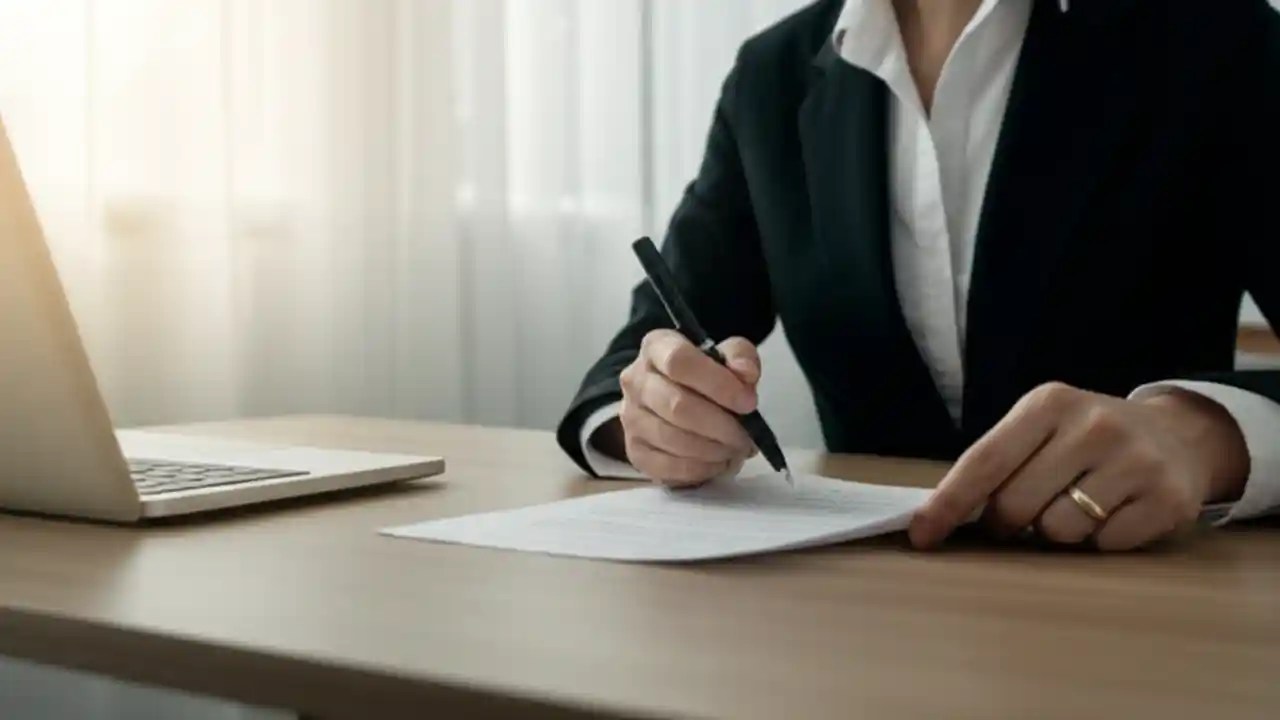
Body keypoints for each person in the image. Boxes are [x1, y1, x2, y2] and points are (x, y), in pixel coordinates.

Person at [557, 0, 1280, 551]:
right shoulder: (771, 78)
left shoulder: (1218, 37)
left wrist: (1207, 439)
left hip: (1148, 609)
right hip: (860, 614)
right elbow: (646, 348)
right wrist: (651, 417)